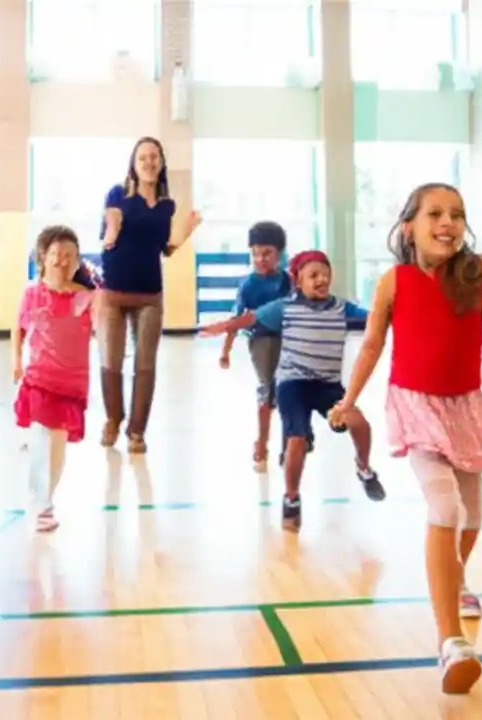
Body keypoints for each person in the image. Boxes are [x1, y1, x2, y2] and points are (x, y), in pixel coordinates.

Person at [328, 160, 482, 694]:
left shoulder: (473, 272)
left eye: (457, 214)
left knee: (472, 518)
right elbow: (374, 345)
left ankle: (458, 575)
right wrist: (349, 400)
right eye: (435, 214)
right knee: (445, 506)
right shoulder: (395, 280)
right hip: (415, 402)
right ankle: (450, 641)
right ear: (410, 227)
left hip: (465, 405)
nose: (448, 222)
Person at [202, 250, 385, 532]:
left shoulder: (342, 309)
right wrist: (224, 327)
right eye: (314, 275)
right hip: (293, 385)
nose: (322, 280)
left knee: (359, 423)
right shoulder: (284, 308)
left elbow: (376, 319)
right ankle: (291, 498)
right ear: (298, 280)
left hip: (328, 386)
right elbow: (250, 319)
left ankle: (364, 468)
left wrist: (399, 311)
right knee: (296, 441)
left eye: (326, 274)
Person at [98, 136, 201, 453]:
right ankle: (114, 419)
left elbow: (165, 249)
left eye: (154, 157)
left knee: (145, 365)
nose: (148, 162)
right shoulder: (118, 193)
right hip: (113, 292)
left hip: (150, 294)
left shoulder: (167, 205)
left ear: (161, 162)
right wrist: (112, 228)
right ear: (134, 163)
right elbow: (108, 232)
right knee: (110, 362)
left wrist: (186, 232)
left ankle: (137, 431)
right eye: (142, 157)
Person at [13, 225, 96, 532]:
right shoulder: (31, 293)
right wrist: (16, 361)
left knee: (58, 444)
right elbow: (17, 327)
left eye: (69, 256)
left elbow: (106, 326)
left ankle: (48, 496)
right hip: (39, 378)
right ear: (43, 257)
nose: (62, 261)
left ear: (78, 261)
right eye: (56, 255)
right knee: (40, 439)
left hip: (72, 382)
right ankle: (40, 503)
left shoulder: (87, 298)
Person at [217, 221, 307, 472]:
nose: (260, 259)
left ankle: (288, 444)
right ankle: (262, 443)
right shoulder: (248, 284)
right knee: (268, 390)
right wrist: (226, 350)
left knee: (289, 392)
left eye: (266, 253)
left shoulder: (289, 281)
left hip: (289, 340)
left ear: (279, 253)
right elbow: (236, 318)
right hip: (262, 341)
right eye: (255, 253)